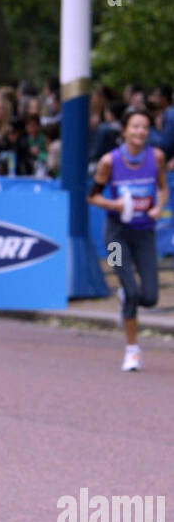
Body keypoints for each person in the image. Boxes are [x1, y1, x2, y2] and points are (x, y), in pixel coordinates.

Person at [89, 106, 168, 371]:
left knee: (150, 296)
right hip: (115, 236)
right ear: (124, 130)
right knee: (133, 291)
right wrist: (117, 205)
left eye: (144, 127)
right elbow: (93, 196)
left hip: (144, 232)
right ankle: (132, 351)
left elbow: (163, 189)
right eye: (135, 126)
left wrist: (159, 207)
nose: (140, 132)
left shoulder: (156, 157)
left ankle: (126, 297)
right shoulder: (109, 162)